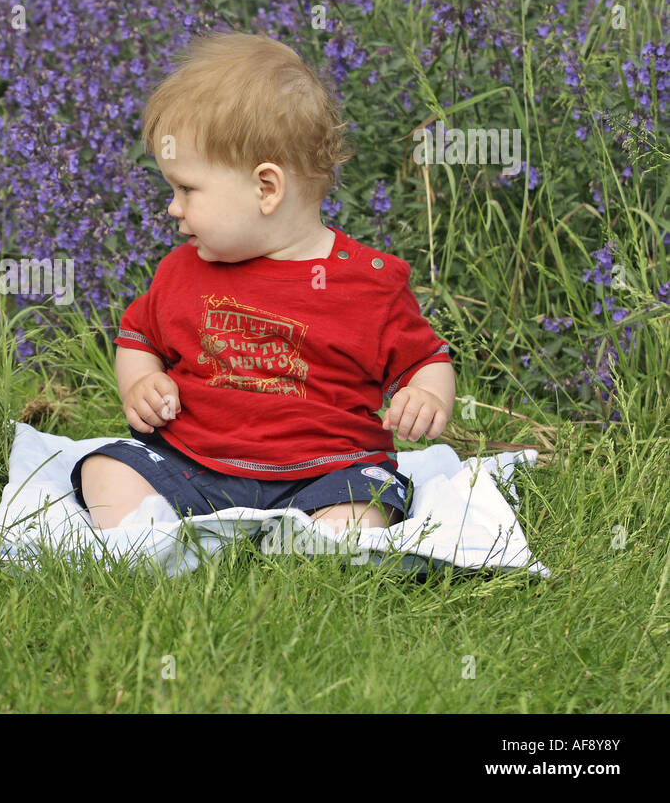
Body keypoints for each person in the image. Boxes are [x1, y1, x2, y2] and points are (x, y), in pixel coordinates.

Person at [73, 31, 455, 536]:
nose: (173, 207)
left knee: (362, 507)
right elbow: (137, 338)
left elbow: (426, 359)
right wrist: (141, 382)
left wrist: (427, 395)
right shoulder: (182, 271)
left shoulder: (369, 283)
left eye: (186, 188)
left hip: (328, 468)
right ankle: (152, 540)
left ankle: (320, 536)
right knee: (107, 469)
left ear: (266, 188)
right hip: (194, 460)